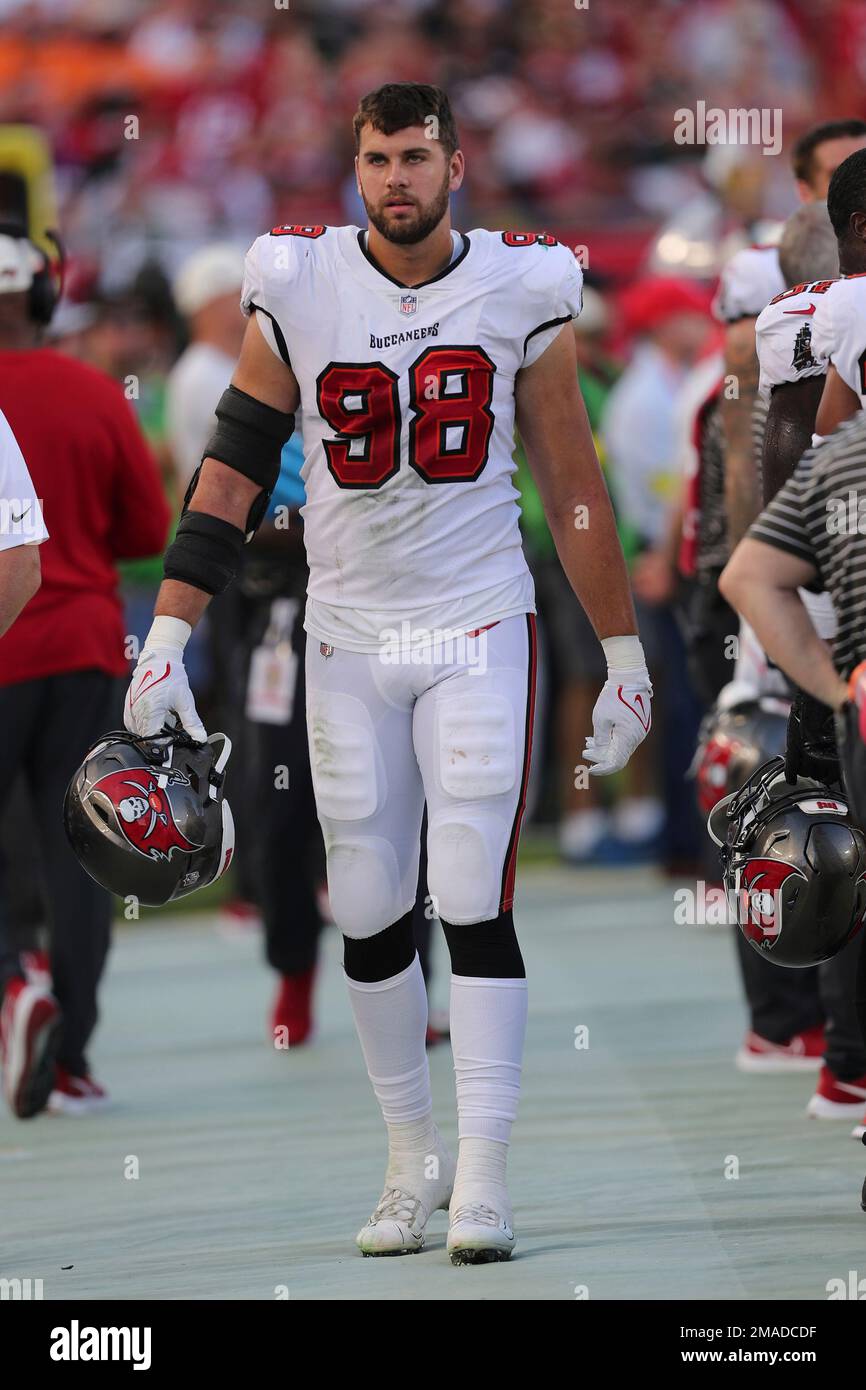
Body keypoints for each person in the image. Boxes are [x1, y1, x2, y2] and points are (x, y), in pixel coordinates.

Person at [122, 82, 652, 1265]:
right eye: (375, 158)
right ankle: (406, 1159)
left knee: (470, 889)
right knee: (362, 904)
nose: (395, 179)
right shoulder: (297, 280)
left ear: (455, 164)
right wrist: (167, 631)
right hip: (348, 634)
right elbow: (232, 469)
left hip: (473, 624)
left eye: (416, 157)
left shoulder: (519, 281)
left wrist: (620, 656)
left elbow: (570, 482)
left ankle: (482, 1173)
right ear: (351, 165)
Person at [0, 226, 170, 1117]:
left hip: (6, 648)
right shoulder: (94, 391)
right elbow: (146, 534)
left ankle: (13, 987)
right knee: (87, 853)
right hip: (80, 642)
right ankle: (71, 1057)